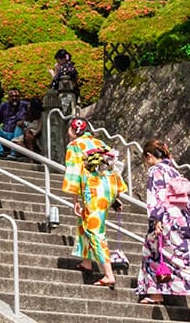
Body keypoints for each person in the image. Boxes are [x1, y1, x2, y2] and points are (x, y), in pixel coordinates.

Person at [134, 137, 190, 322]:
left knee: (152, 252)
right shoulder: (175, 172)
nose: (146, 163)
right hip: (181, 220)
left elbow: (156, 196)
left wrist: (156, 219)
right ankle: (159, 293)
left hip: (165, 220)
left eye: (145, 159)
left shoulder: (156, 170)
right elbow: (188, 201)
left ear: (149, 156)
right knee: (181, 259)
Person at [62, 119, 127, 285]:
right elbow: (113, 168)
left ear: (73, 130)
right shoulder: (100, 143)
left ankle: (108, 274)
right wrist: (116, 195)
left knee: (94, 230)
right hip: (109, 188)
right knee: (84, 220)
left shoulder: (74, 145)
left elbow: (73, 172)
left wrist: (75, 200)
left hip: (93, 190)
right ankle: (87, 262)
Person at [50, 49, 81, 119]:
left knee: (66, 113)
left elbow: (58, 79)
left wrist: (54, 73)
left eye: (58, 60)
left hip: (65, 93)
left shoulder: (65, 69)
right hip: (72, 92)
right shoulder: (71, 67)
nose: (57, 62)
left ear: (63, 59)